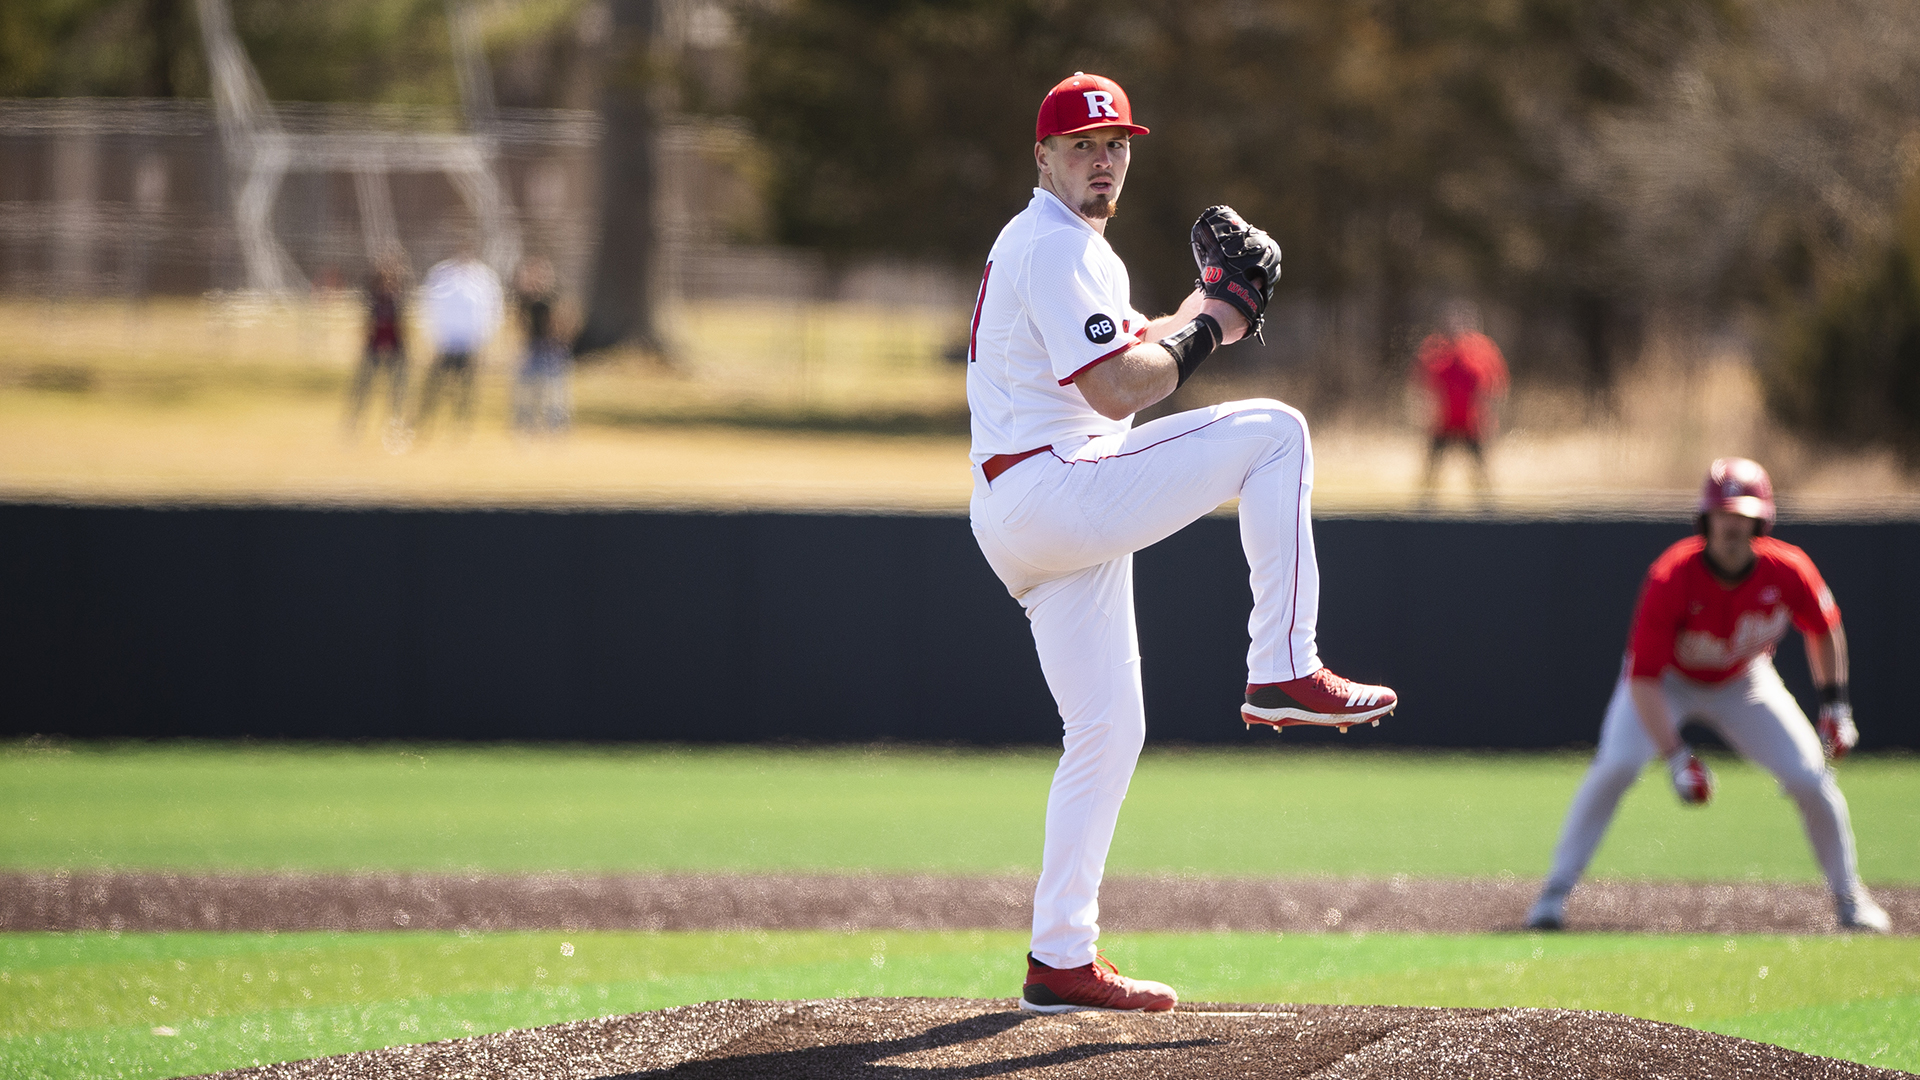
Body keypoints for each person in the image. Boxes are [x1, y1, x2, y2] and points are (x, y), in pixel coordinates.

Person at [968, 72, 1399, 1014]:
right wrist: (1215, 319)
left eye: (1116, 143)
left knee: (1109, 729)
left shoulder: (1066, 249)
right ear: (1042, 158)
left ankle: (1060, 958)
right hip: (1052, 486)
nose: (1102, 160)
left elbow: (1140, 350)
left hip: (1031, 512)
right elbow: (1122, 389)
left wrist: (1204, 310)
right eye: (1081, 146)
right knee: (1278, 433)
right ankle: (1285, 665)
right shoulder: (1051, 243)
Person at [1526, 458, 1889, 934]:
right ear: (1706, 518)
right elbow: (1643, 678)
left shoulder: (1789, 568)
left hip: (1744, 681)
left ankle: (1849, 898)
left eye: (1742, 514)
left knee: (1810, 778)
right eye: (1723, 514)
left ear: (1761, 519)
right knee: (1615, 766)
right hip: (1667, 684)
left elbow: (1823, 629)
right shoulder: (1671, 576)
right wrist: (1676, 756)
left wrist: (1836, 705)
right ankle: (1553, 894)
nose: (1731, 525)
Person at [1413, 300, 1508, 496]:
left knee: (1481, 474)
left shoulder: (1483, 348)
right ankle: (1421, 516)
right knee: (1431, 473)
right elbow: (1420, 385)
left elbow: (1497, 384)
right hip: (1443, 422)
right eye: (1453, 322)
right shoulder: (1434, 347)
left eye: (1463, 321)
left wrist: (1491, 416)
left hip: (1472, 422)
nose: (1457, 326)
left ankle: (1490, 516)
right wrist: (1423, 413)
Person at [412, 240, 503, 438]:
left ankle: (461, 426)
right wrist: (432, 336)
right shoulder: (441, 274)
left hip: (470, 343)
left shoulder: (484, 277)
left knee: (466, 390)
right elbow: (428, 305)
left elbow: (493, 309)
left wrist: (484, 339)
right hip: (445, 342)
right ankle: (424, 423)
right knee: (434, 386)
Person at [344, 257, 409, 437]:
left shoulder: (397, 302)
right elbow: (368, 327)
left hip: (395, 350)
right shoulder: (373, 302)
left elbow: (401, 328)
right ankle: (355, 423)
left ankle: (395, 425)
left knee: (397, 390)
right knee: (363, 388)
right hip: (374, 349)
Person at [511, 256, 571, 434]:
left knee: (553, 391)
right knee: (526, 390)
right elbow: (520, 324)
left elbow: (564, 323)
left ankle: (555, 426)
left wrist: (559, 341)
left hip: (551, 348)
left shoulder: (553, 298)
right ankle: (525, 425)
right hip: (531, 347)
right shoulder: (524, 300)